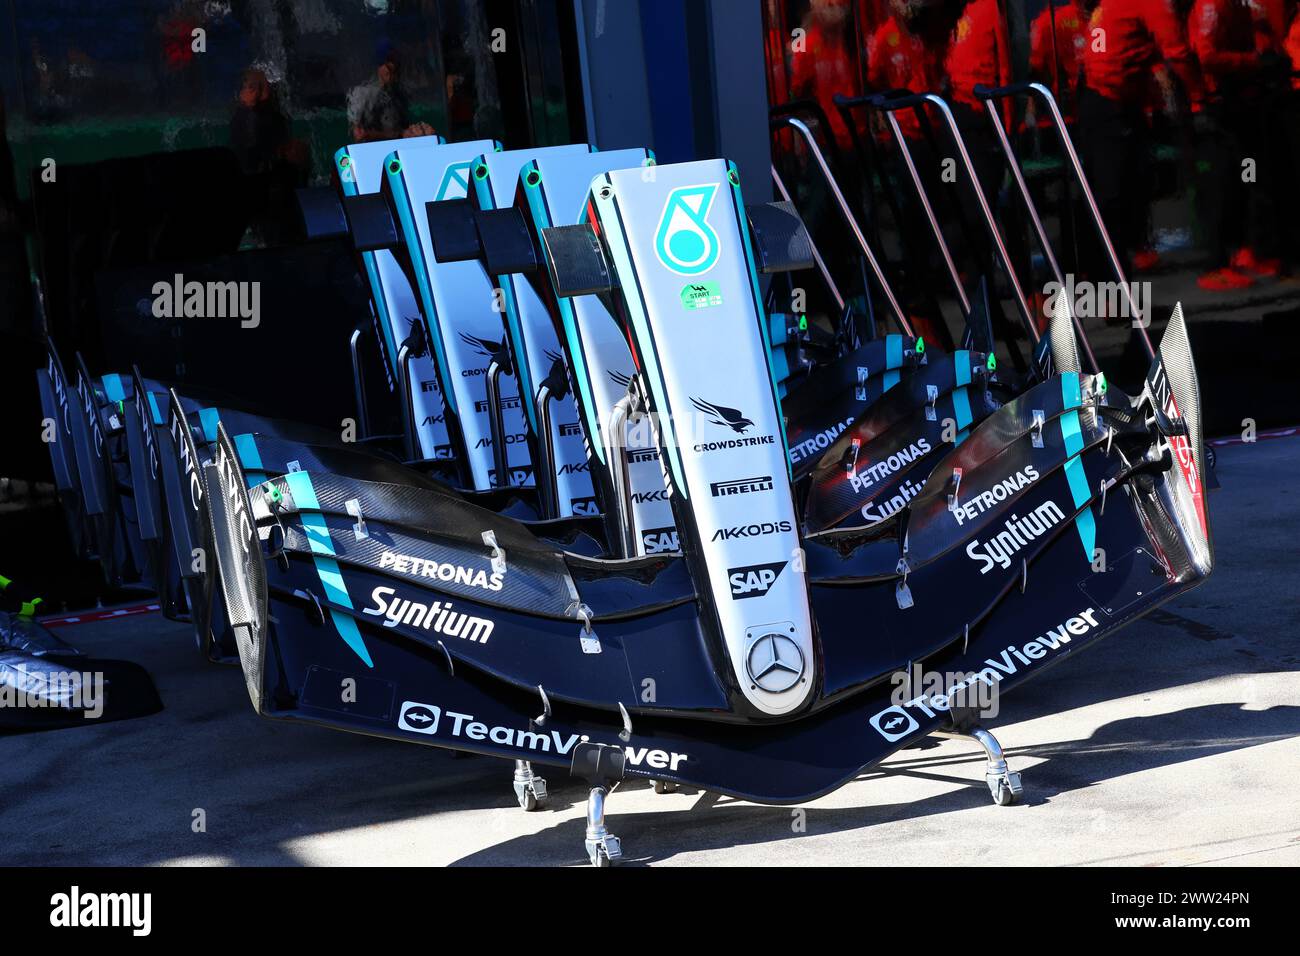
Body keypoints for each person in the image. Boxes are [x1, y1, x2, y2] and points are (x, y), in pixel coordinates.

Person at [1079, 0, 1203, 280]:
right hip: (1110, 103)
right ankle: (1111, 287)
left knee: (1123, 189)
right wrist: (1198, 95)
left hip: (1104, 100)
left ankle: (1114, 276)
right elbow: (1177, 51)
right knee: (1113, 199)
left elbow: (1140, 46)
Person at [1188, 0, 1280, 290]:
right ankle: (1214, 264)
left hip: (1241, 103)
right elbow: (1206, 55)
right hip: (1217, 106)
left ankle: (1245, 249)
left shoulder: (1239, 5)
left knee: (1247, 176)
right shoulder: (1211, 5)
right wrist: (1252, 61)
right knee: (1221, 184)